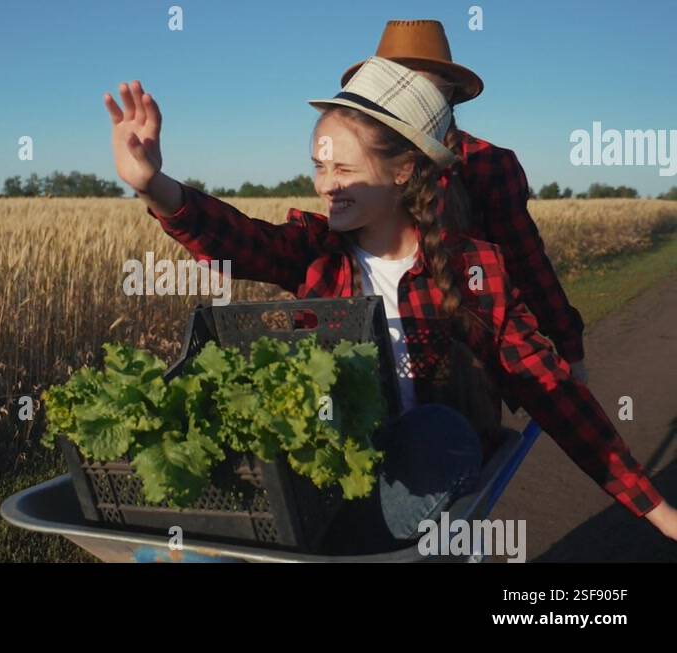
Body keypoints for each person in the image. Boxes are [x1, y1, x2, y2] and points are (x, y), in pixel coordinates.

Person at [101, 57, 677, 549]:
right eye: (320, 166)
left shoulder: (475, 273)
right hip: (340, 470)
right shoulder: (315, 254)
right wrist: (152, 182)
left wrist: (660, 513)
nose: (327, 185)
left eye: (345, 168)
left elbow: (556, 399)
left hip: (433, 459)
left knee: (432, 432)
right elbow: (238, 240)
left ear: (404, 172)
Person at [339, 19, 589, 388]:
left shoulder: (486, 162)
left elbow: (525, 261)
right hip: (367, 352)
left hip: (461, 365)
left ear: (449, 96)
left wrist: (569, 349)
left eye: (424, 90)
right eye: (397, 87)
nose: (411, 102)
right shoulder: (354, 162)